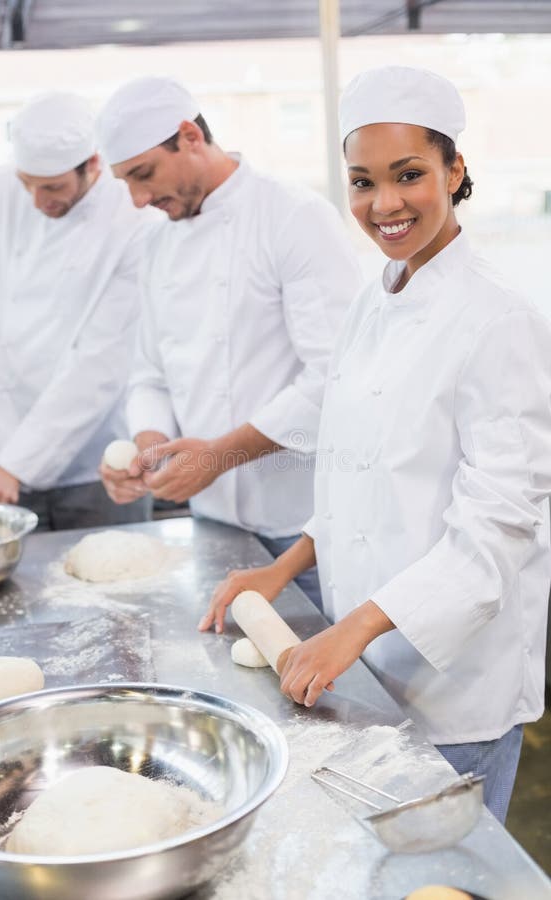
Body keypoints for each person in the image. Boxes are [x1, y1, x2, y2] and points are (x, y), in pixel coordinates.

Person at [201, 66, 551, 823]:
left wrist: (352, 628)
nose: (383, 203)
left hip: (454, 678)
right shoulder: (375, 295)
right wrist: (283, 569)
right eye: (363, 182)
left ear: (456, 171)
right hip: (357, 654)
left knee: (441, 867)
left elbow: (497, 529)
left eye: (409, 175)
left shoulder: (500, 319)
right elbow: (358, 482)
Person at [96, 77, 363, 609]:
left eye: (144, 175)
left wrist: (219, 455)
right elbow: (149, 373)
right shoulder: (153, 244)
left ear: (190, 135)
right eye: (126, 182)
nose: (140, 199)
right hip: (211, 527)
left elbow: (336, 375)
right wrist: (149, 452)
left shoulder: (293, 217)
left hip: (304, 533)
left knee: (320, 685)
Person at [0, 91, 155, 529]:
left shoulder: (133, 220)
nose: (37, 200)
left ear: (93, 165)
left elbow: (102, 363)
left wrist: (17, 464)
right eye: (26, 182)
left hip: (97, 469)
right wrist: (5, 464)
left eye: (53, 187)